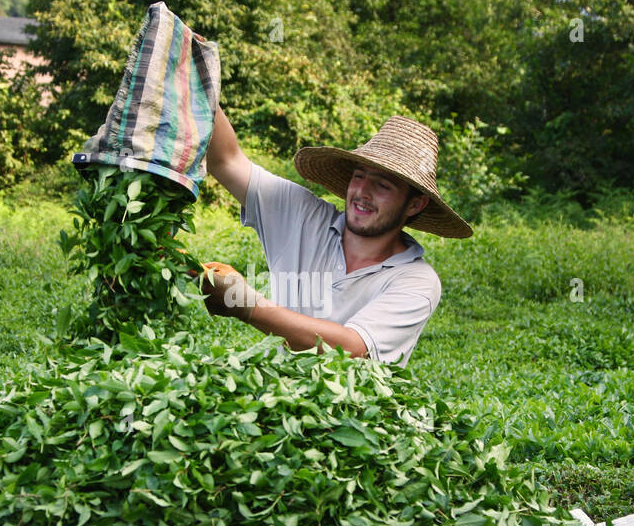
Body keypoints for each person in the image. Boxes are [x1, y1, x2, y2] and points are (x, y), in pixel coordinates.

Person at [200, 106, 473, 367]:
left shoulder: (416, 281)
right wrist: (196, 68)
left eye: (382, 185)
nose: (361, 192)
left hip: (351, 413)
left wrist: (248, 305)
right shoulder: (303, 216)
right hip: (277, 394)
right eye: (359, 176)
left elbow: (351, 348)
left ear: (415, 205)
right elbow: (226, 159)